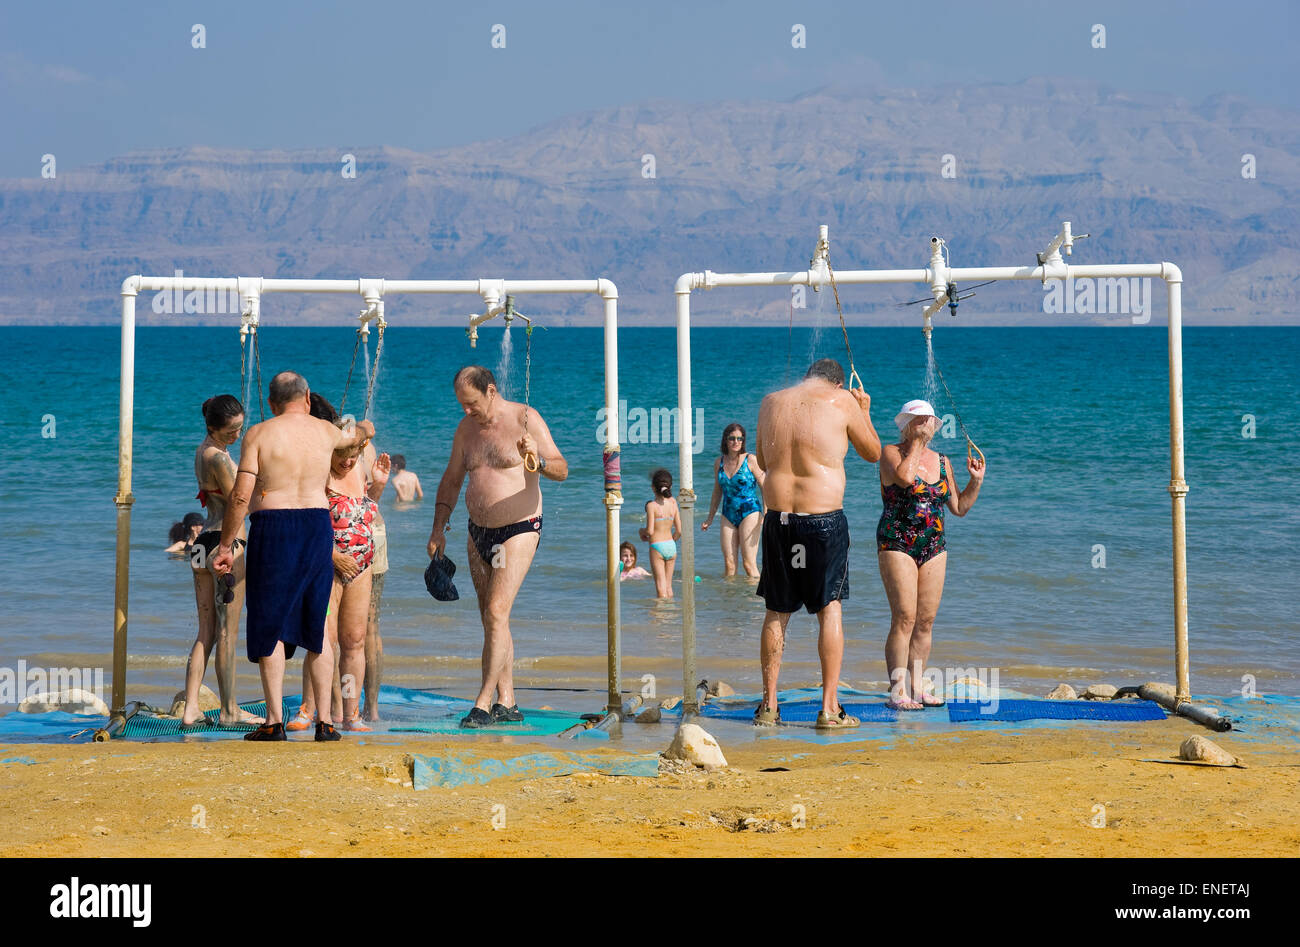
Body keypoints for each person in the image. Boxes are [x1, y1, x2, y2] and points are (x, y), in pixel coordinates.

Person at [211, 372, 375, 742]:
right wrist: (365, 427)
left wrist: (225, 547)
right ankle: (327, 722)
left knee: (268, 621)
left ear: (271, 404)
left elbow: (240, 495)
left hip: (274, 525)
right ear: (307, 397)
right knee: (316, 626)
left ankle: (273, 721)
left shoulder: (258, 434)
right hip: (318, 525)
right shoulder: (326, 431)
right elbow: (358, 434)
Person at [427, 366, 567, 728]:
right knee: (492, 619)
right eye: (461, 404)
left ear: (491, 391)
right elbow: (452, 480)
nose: (466, 411)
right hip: (478, 532)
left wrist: (538, 457)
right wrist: (438, 529)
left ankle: (483, 702)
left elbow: (562, 469)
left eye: (471, 403)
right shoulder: (465, 430)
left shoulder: (525, 418)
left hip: (519, 528)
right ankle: (509, 700)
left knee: (496, 611)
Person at [753, 359, 881, 730]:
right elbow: (872, 452)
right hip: (822, 520)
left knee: (777, 611)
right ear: (838, 384)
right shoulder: (842, 402)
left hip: (778, 519)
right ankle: (828, 707)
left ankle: (769, 706)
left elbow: (763, 459)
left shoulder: (771, 402)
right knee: (829, 608)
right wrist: (865, 411)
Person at [288, 396, 390, 731]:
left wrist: (377, 486)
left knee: (354, 639)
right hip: (327, 564)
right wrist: (332, 556)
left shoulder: (359, 466)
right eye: (342, 457)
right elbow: (305, 522)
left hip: (361, 564)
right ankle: (308, 709)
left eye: (353, 457)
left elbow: (363, 512)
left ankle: (351, 713)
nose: (347, 463)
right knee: (321, 638)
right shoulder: (316, 471)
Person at [877, 399, 985, 710]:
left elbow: (960, 507)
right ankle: (897, 690)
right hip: (897, 540)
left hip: (933, 543)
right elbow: (906, 478)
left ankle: (917, 686)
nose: (927, 424)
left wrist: (975, 482)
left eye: (930, 420)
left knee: (925, 620)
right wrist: (916, 444)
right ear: (906, 425)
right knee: (904, 617)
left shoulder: (942, 462)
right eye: (919, 420)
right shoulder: (891, 453)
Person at [179, 396, 260, 727]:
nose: (237, 436)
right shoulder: (219, 458)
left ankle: (190, 707)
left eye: (241, 428)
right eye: (232, 430)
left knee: (206, 630)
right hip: (225, 544)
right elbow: (239, 502)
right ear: (213, 427)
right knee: (227, 631)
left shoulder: (202, 451)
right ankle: (229, 710)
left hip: (200, 546)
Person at [701, 423, 765, 577]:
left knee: (749, 564)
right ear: (725, 440)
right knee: (729, 565)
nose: (736, 442)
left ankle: (754, 600)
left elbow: (765, 486)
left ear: (743, 441)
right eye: (732, 438)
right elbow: (717, 491)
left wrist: (767, 511)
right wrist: (709, 518)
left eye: (740, 438)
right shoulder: (719, 462)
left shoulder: (750, 460)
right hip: (728, 513)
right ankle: (731, 599)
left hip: (750, 511)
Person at [639, 469, 681, 598]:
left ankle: (660, 616)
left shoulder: (651, 506)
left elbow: (650, 531)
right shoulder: (673, 503)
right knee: (668, 587)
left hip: (657, 546)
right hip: (671, 546)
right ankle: (669, 614)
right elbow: (679, 531)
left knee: (660, 587)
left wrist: (641, 531)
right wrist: (671, 541)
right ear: (671, 486)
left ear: (653, 488)